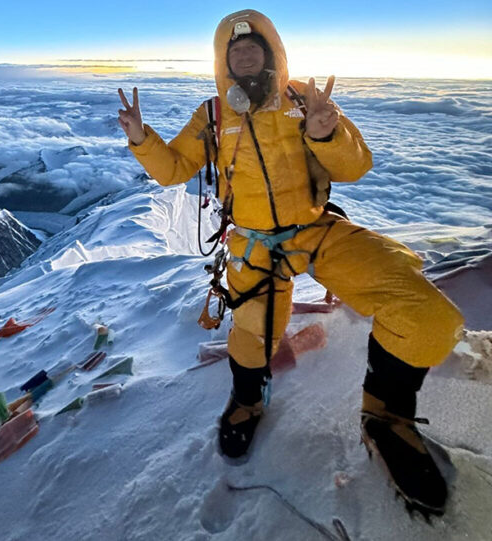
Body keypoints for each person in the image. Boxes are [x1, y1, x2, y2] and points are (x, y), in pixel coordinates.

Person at [117, 9, 464, 516]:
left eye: (253, 48)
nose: (244, 55)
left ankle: (386, 415)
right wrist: (140, 138)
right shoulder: (213, 114)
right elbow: (174, 170)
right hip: (255, 242)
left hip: (315, 229)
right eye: (234, 51)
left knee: (424, 313)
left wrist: (327, 131)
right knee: (252, 333)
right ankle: (248, 399)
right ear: (224, 63)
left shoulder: (305, 100)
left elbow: (355, 167)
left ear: (272, 54)